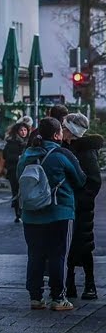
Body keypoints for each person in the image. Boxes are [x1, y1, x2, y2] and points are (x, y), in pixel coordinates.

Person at [17, 117, 85, 311]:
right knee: (58, 256)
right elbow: (80, 180)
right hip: (59, 213)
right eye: (61, 131)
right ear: (57, 135)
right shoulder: (62, 154)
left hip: (30, 214)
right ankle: (58, 298)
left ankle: (35, 298)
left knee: (35, 255)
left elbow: (18, 179)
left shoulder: (26, 155)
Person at [63, 113, 101, 300]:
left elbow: (94, 181)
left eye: (64, 128)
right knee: (67, 246)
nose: (62, 131)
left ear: (72, 130)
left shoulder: (86, 150)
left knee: (84, 246)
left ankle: (90, 284)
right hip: (68, 204)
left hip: (81, 207)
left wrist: (79, 199)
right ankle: (69, 285)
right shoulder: (64, 147)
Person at [3, 117, 34, 224]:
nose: (23, 132)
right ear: (17, 131)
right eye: (21, 130)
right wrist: (18, 158)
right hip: (14, 171)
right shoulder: (12, 142)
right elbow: (6, 156)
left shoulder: (30, 142)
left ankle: (25, 212)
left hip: (27, 171)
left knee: (26, 192)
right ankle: (18, 213)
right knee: (16, 192)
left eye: (25, 130)